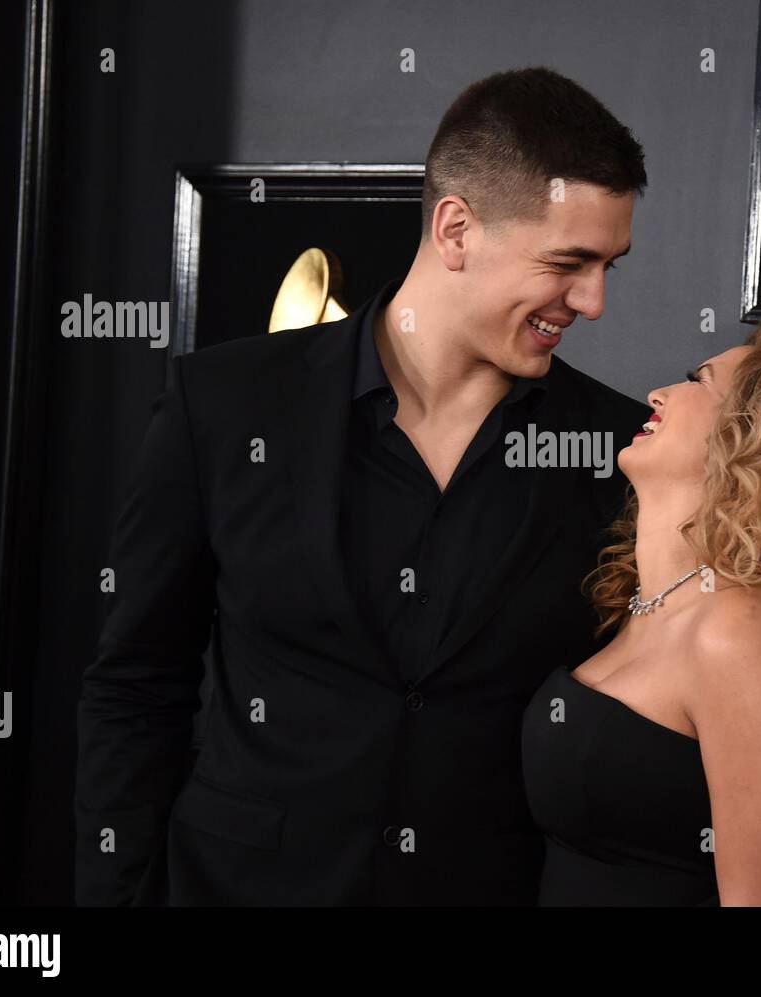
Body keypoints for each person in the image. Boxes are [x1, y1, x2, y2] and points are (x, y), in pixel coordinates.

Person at [74, 66, 650, 905]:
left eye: (609, 266)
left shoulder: (621, 449)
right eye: (569, 262)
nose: (593, 301)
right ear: (456, 229)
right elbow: (133, 687)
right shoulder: (222, 404)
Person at [521, 318, 761, 905]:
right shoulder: (648, 603)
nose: (659, 394)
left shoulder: (740, 631)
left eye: (698, 381)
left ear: (756, 439)